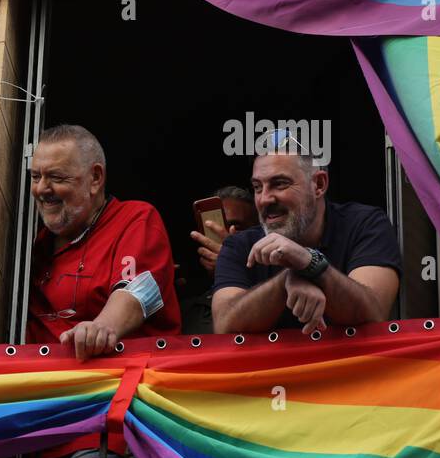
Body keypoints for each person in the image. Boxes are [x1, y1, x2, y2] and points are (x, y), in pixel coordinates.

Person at [212, 130, 401, 335]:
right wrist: (286, 282)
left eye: (280, 184)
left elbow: (374, 312)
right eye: (258, 187)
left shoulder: (365, 224)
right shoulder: (239, 244)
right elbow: (224, 325)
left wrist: (311, 263)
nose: (265, 199)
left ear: (319, 185)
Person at [26, 124, 181, 359]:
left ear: (95, 178)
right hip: (42, 385)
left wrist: (102, 327)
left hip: (120, 382)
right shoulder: (36, 245)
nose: (41, 189)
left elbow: (135, 291)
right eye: (36, 176)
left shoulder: (134, 218)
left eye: (56, 177)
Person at [181, 186, 259, 335]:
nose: (228, 235)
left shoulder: (276, 283)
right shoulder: (186, 308)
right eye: (215, 229)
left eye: (237, 227)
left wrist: (233, 267)